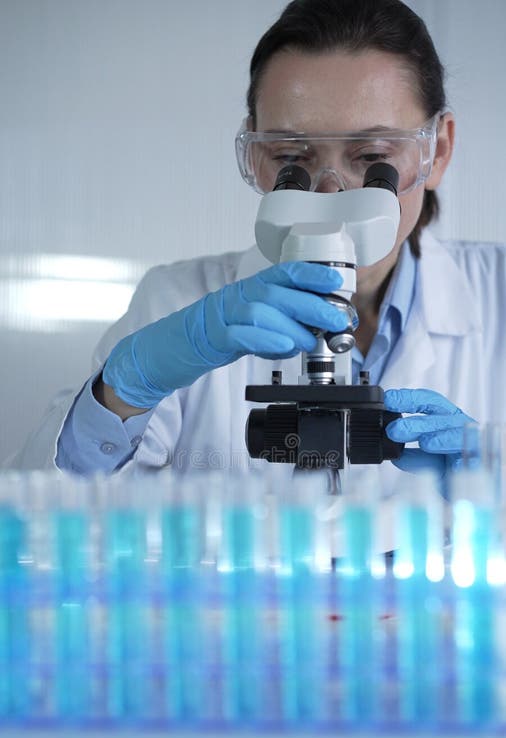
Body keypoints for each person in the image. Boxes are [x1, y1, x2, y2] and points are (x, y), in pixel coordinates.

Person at [14, 0, 505, 501]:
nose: (330, 195)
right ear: (255, 153)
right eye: (292, 158)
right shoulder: (175, 299)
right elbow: (36, 521)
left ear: (437, 150)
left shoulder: (499, 293)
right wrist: (121, 394)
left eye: (374, 159)